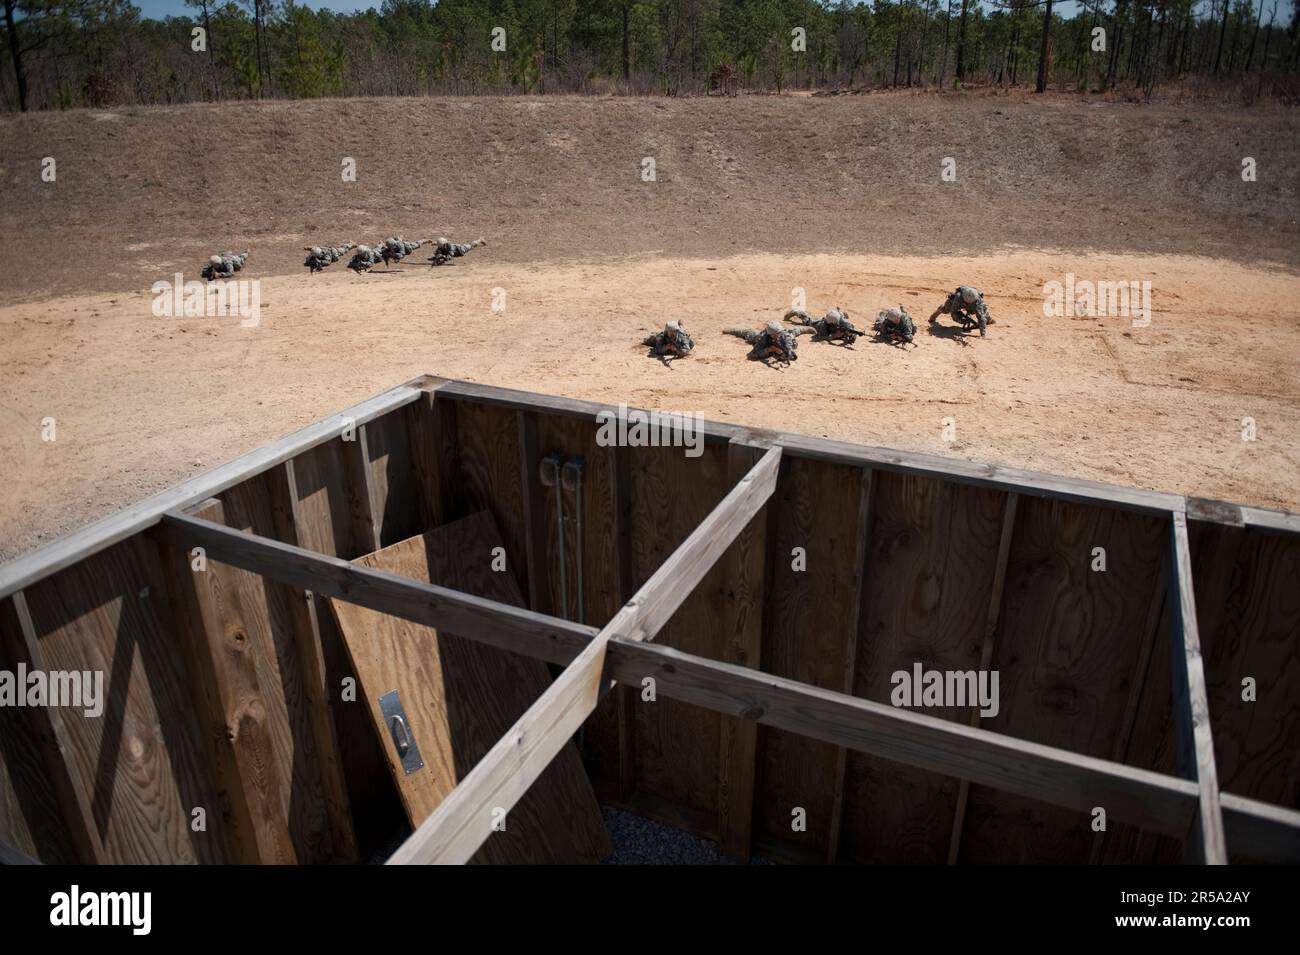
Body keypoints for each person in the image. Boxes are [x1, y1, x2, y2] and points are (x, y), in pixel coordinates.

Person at [723, 320, 811, 364]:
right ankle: (734, 330)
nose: (778, 336)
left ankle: (803, 329)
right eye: (775, 334)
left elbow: (790, 349)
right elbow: (752, 355)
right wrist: (768, 350)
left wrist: (786, 352)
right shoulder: (764, 338)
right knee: (750, 335)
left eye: (778, 333)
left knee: (792, 333)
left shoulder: (784, 335)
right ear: (771, 335)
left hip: (787, 336)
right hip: (762, 338)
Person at [784, 306, 862, 344]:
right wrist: (835, 336)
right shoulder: (822, 326)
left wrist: (851, 334)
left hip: (834, 319)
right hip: (816, 323)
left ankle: (840, 311)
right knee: (807, 320)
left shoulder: (840, 320)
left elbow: (850, 326)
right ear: (831, 323)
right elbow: (821, 337)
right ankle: (797, 311)